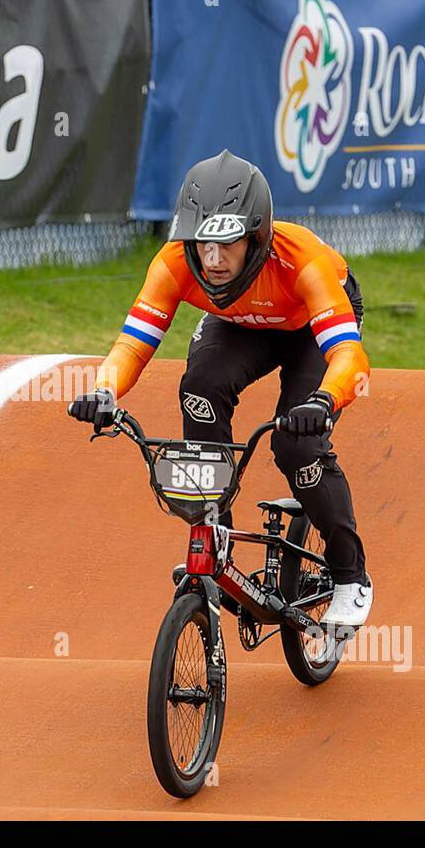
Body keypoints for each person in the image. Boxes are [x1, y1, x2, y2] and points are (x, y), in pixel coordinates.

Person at [67, 150, 373, 629]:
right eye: (200, 243)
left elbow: (349, 359)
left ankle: (351, 576)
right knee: (199, 387)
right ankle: (215, 537)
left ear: (257, 237)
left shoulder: (304, 262)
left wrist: (323, 401)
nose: (211, 260)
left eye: (226, 244)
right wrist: (104, 391)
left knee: (297, 445)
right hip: (242, 322)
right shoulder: (175, 264)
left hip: (307, 328)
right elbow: (131, 345)